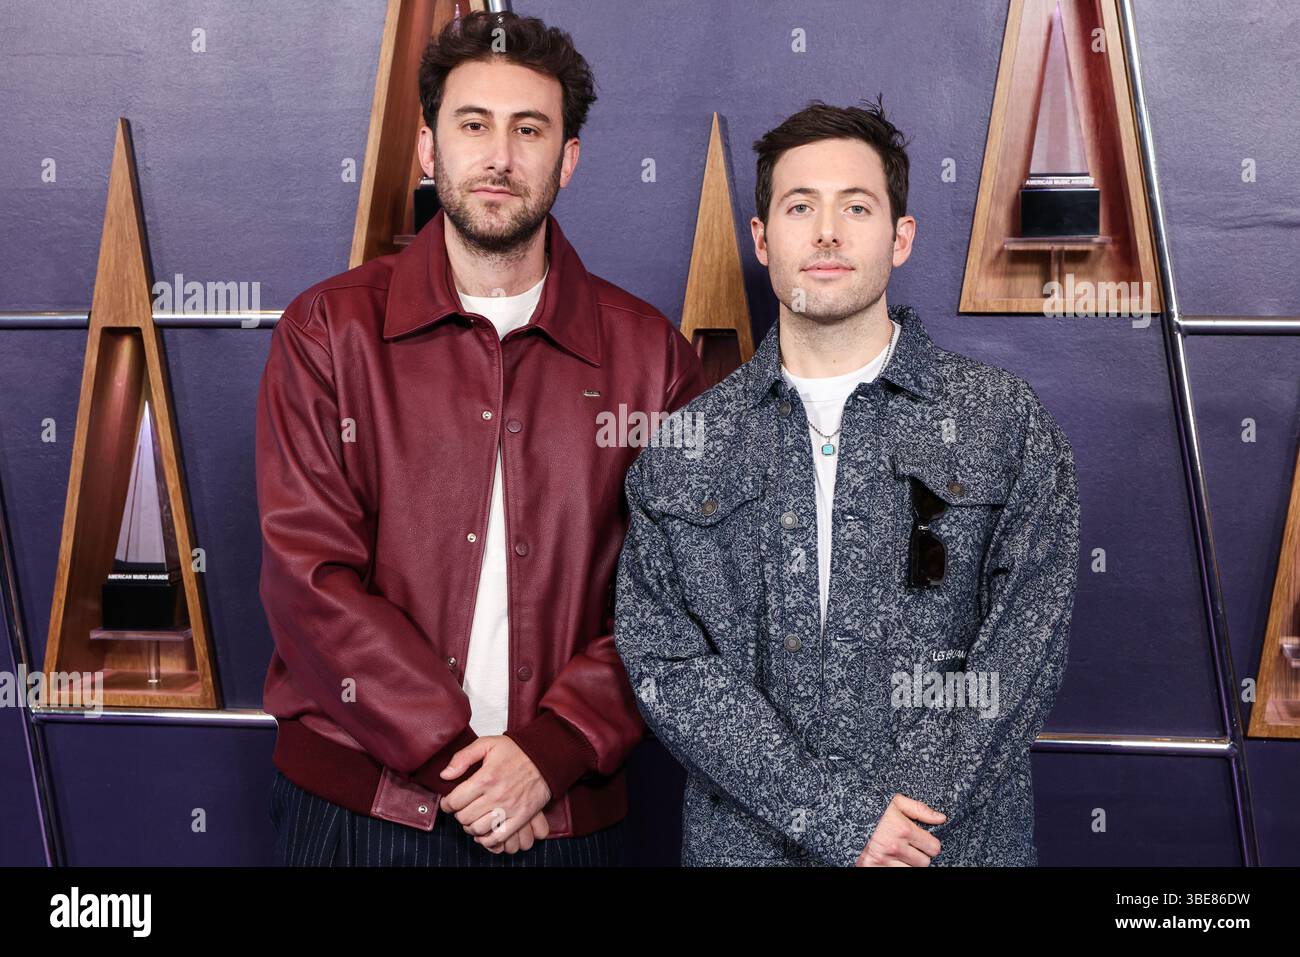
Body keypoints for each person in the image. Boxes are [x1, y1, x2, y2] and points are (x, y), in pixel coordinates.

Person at [257, 10, 707, 866]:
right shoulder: (327, 330)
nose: (499, 156)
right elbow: (307, 576)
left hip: (562, 814)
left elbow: (676, 601)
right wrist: (463, 765)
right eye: (473, 124)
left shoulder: (653, 358)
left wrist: (549, 752)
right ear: (429, 148)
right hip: (362, 809)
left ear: (567, 159)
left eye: (529, 129)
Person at [613, 98, 1080, 866]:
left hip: (946, 850)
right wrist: (837, 816)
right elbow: (668, 664)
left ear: (900, 238)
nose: (827, 231)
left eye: (856, 206)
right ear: (762, 240)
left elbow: (1023, 649)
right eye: (801, 206)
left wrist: (901, 821)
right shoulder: (685, 448)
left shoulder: (1004, 425)